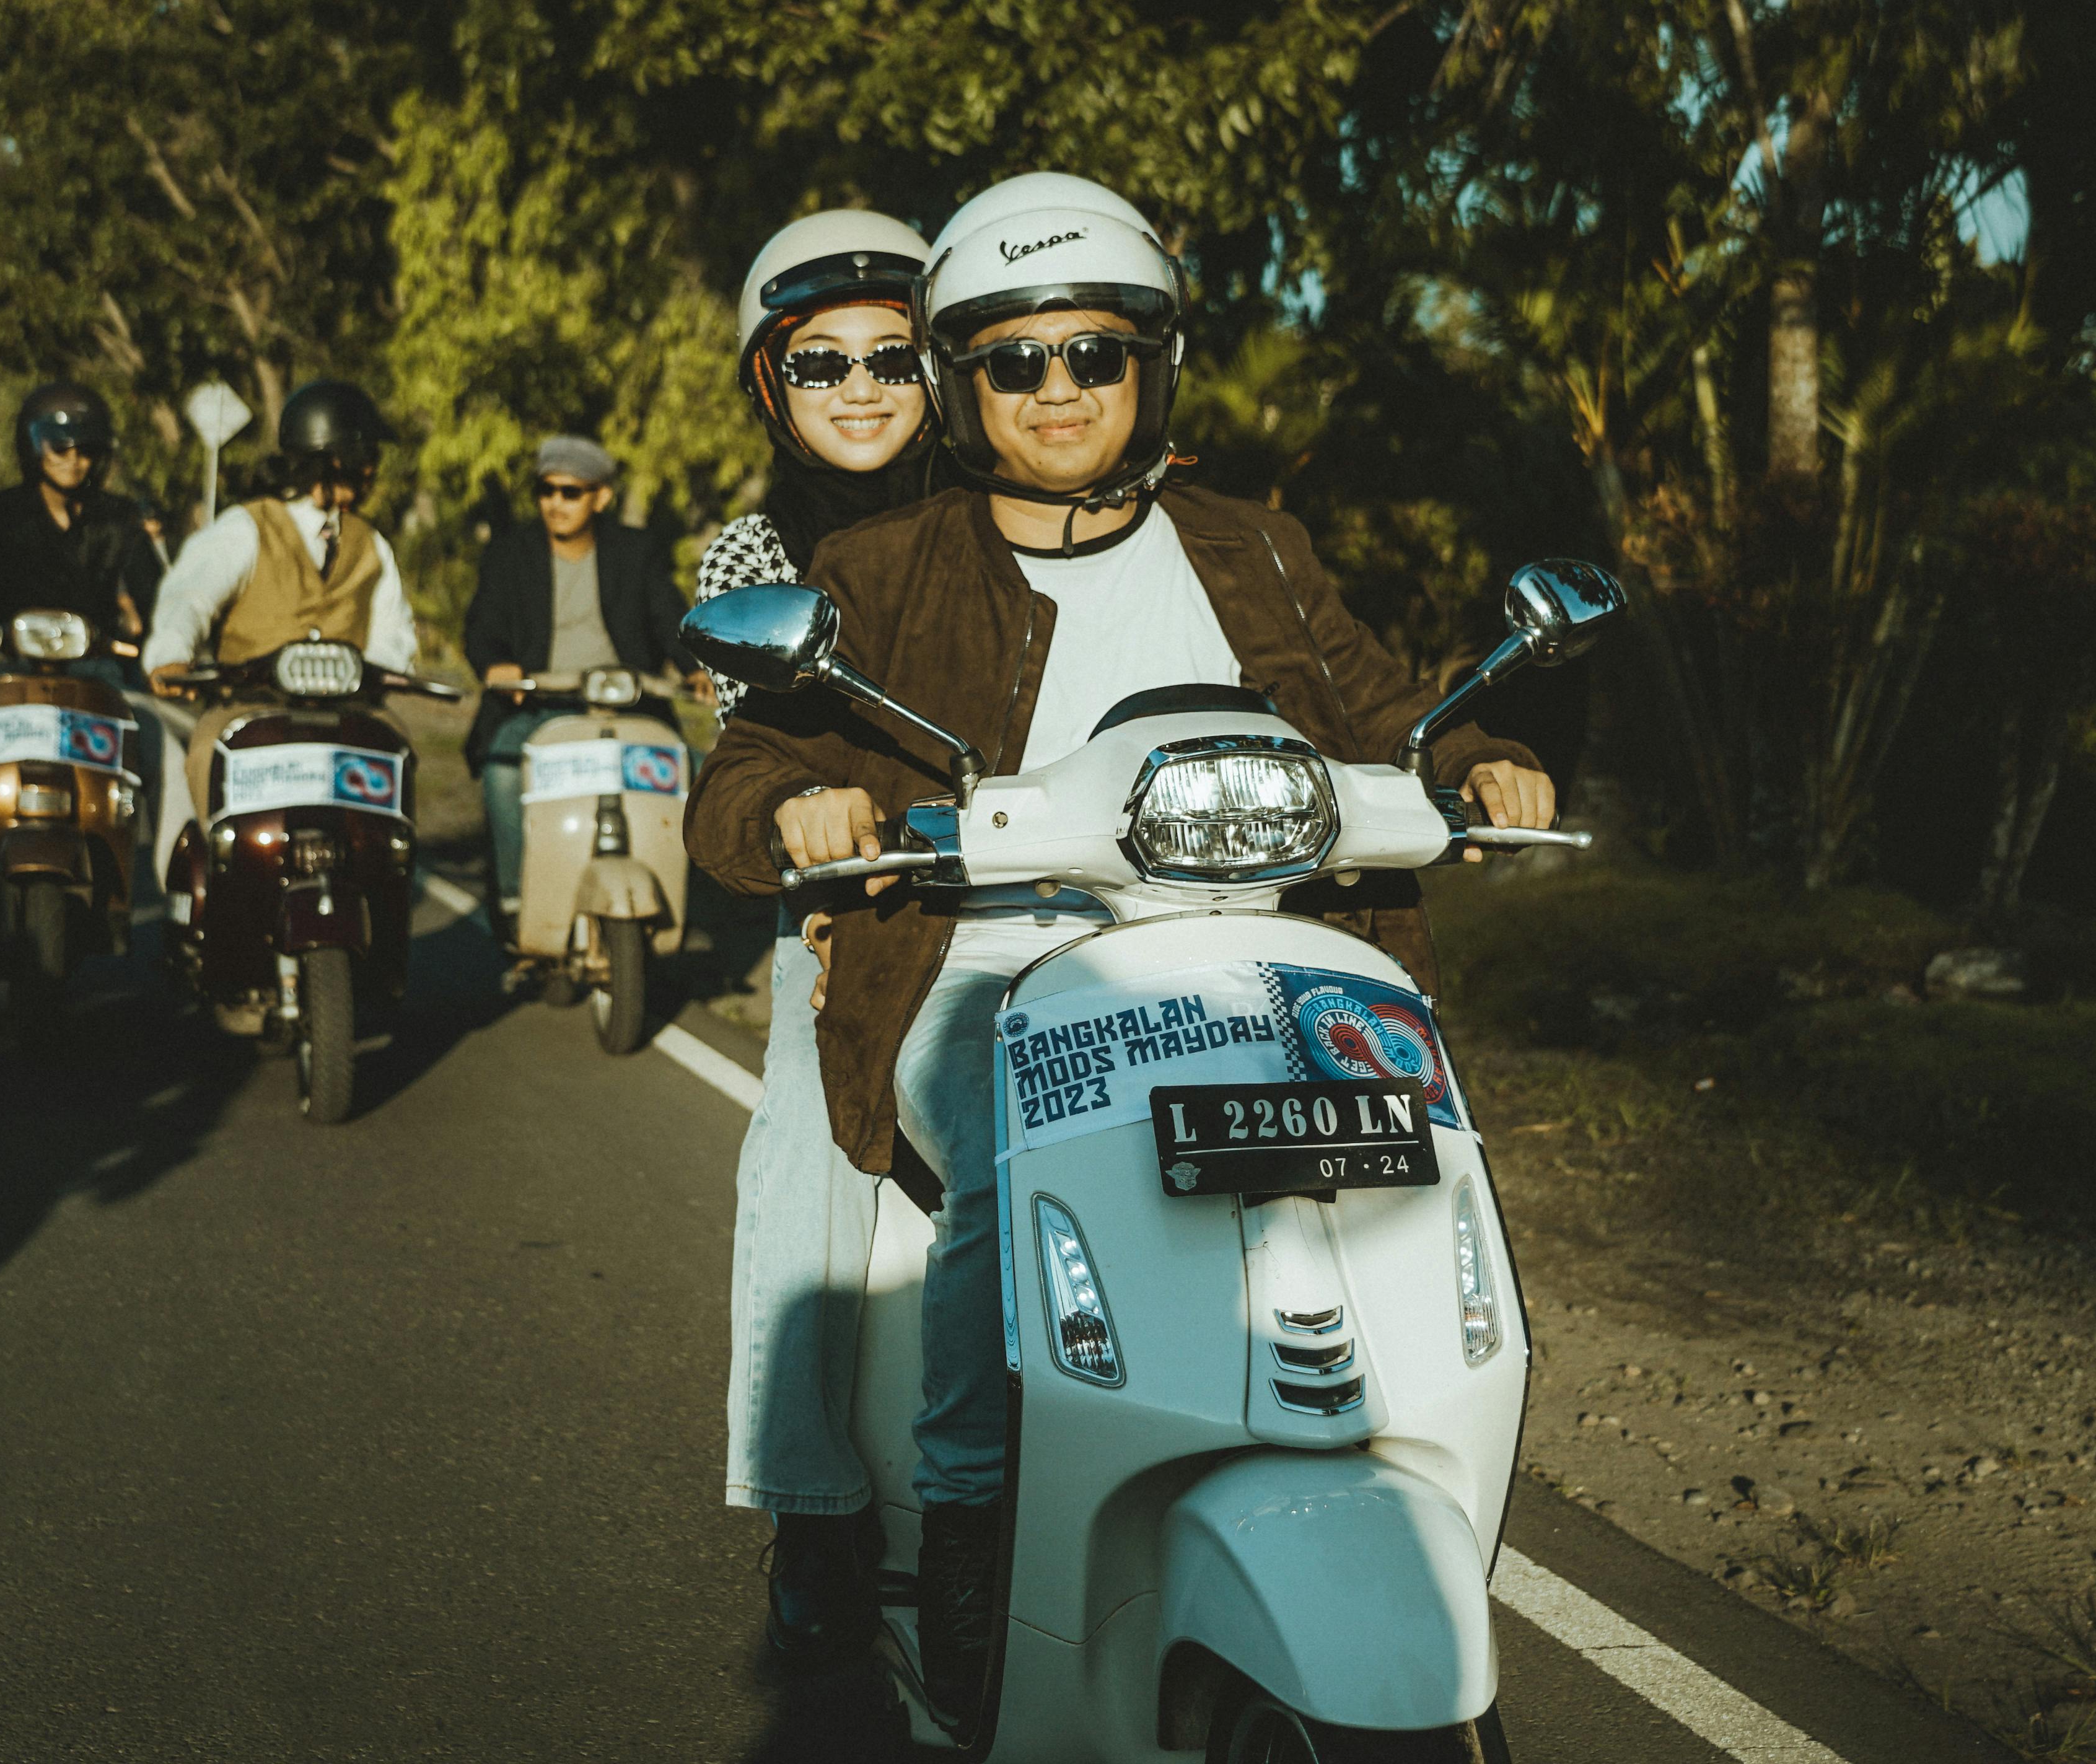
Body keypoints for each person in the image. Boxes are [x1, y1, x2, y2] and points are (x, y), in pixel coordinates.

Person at [688, 174, 1559, 1722]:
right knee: (1007, 1147)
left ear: (1151, 362)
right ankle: (966, 1516)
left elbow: (1383, 708)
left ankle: (1401, 1458)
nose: (1060, 390)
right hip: (990, 971)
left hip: (1261, 961)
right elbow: (740, 775)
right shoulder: (880, 574)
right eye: (1016, 361)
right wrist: (805, 803)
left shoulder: (1254, 545)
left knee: (1409, 1134)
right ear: (964, 383)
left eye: (1095, 352)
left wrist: (1480, 751)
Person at [698, 209, 945, 1659]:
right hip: (855, 915)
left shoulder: (1012, 506)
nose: (858, 387)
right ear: (771, 383)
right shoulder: (754, 545)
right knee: (803, 1135)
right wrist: (809, 807)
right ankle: (812, 1495)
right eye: (819, 362)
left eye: (893, 356)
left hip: (1055, 896)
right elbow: (756, 743)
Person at [145, 379, 422, 849]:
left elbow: (394, 633)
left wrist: (385, 670)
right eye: (367, 456)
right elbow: (190, 597)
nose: (374, 469)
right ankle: (218, 885)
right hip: (251, 707)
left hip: (347, 713)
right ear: (336, 458)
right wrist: (172, 655)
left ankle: (384, 885)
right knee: (207, 757)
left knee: (397, 755)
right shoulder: (246, 528)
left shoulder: (371, 545)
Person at [458, 434, 692, 918]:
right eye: (546, 491)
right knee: (503, 770)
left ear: (601, 497)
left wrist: (696, 669)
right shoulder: (510, 553)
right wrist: (497, 665)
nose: (555, 504)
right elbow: (483, 626)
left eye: (571, 492)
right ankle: (515, 897)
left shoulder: (636, 552)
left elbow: (669, 617)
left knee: (694, 770)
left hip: (630, 706)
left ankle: (683, 892)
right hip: (542, 708)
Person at [0, 384, 162, 779]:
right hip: (14, 666)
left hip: (97, 667)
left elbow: (153, 591)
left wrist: (169, 643)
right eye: (60, 449)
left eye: (86, 450)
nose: (74, 461)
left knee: (156, 752)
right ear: (33, 447)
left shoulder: (120, 516)